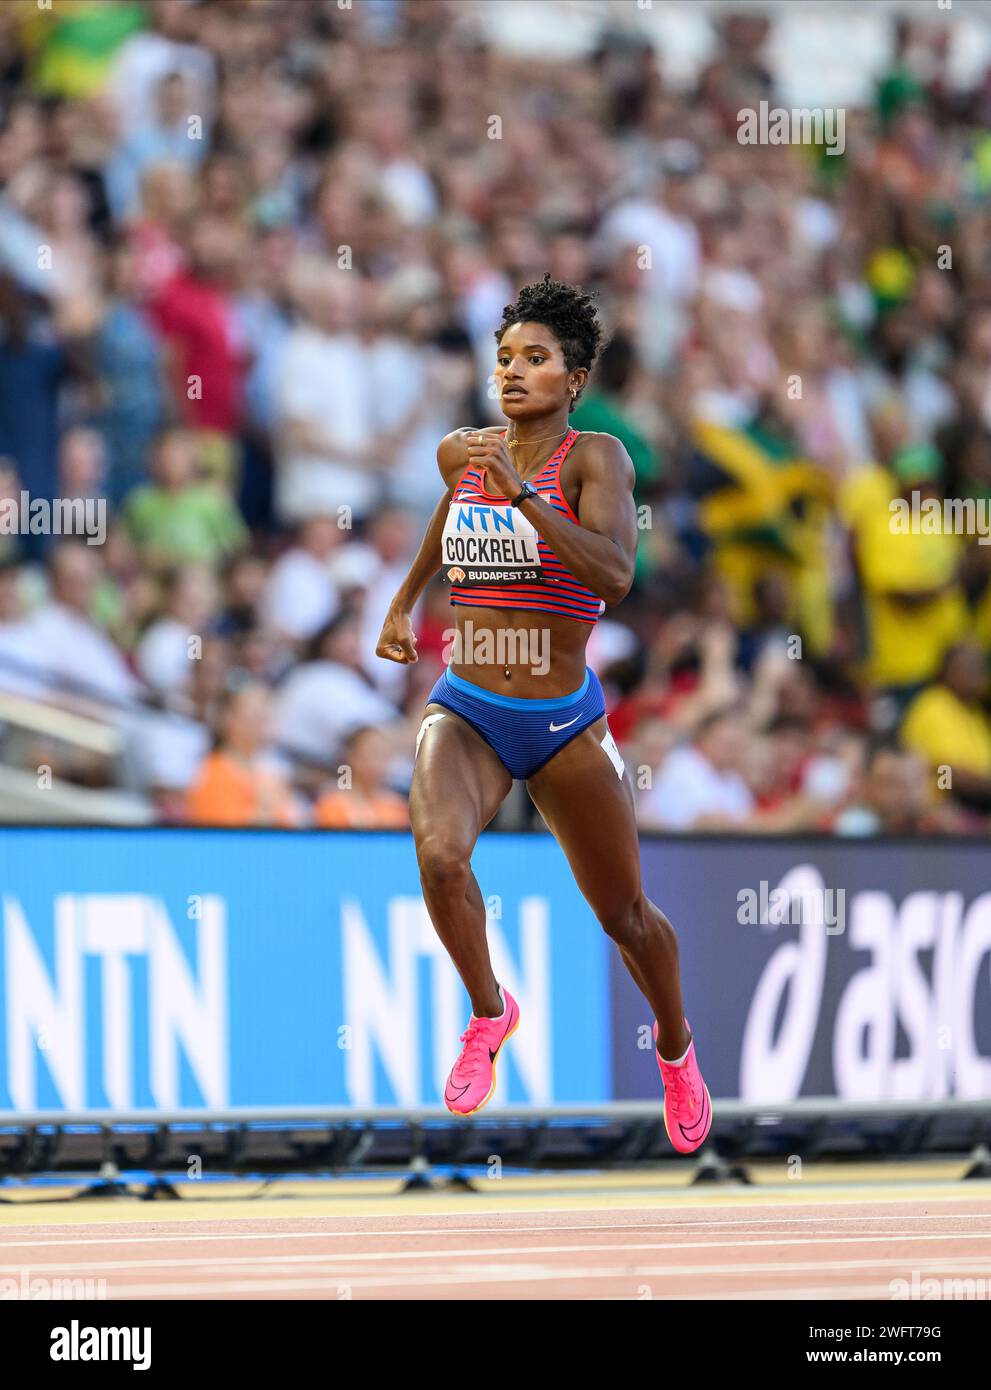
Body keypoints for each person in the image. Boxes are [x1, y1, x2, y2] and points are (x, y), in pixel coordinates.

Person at [375, 275, 711, 1153]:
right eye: (504, 360)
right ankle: (490, 1015)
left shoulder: (595, 458)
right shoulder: (463, 452)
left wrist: (524, 498)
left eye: (535, 359)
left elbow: (612, 573)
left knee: (624, 916)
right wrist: (405, 601)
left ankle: (676, 1052)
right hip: (470, 703)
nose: (513, 373)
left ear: (574, 378)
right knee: (440, 856)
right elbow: (448, 519)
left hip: (563, 720)